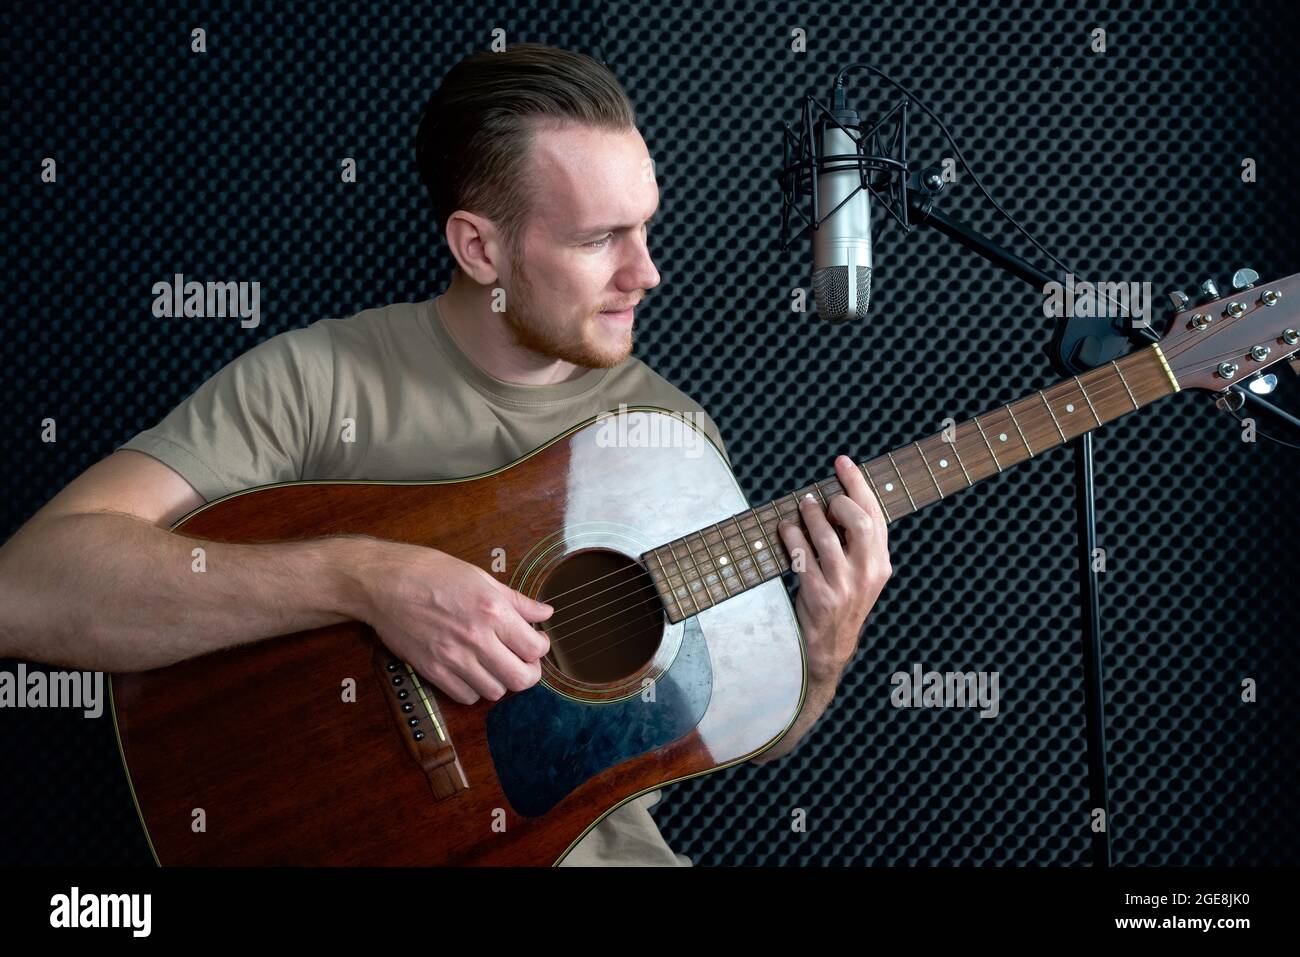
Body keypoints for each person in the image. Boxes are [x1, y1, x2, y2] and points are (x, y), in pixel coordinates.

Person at [0, 43, 892, 866]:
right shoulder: (317, 383)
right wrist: (362, 578)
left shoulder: (671, 433)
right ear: (478, 247)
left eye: (646, 227)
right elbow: (24, 593)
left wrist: (819, 663)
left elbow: (695, 735)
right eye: (598, 240)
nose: (647, 272)